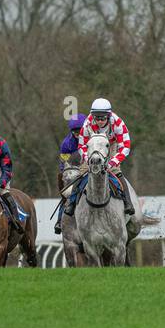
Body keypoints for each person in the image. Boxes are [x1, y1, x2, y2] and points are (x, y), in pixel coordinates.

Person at [54, 98, 137, 234]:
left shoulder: (118, 123)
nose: (99, 121)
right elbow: (82, 145)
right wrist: (88, 160)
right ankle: (71, 204)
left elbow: (126, 146)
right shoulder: (87, 124)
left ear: (109, 116)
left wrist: (112, 162)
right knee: (81, 174)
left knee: (116, 172)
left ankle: (128, 203)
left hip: (111, 146)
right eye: (96, 118)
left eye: (102, 118)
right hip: (92, 149)